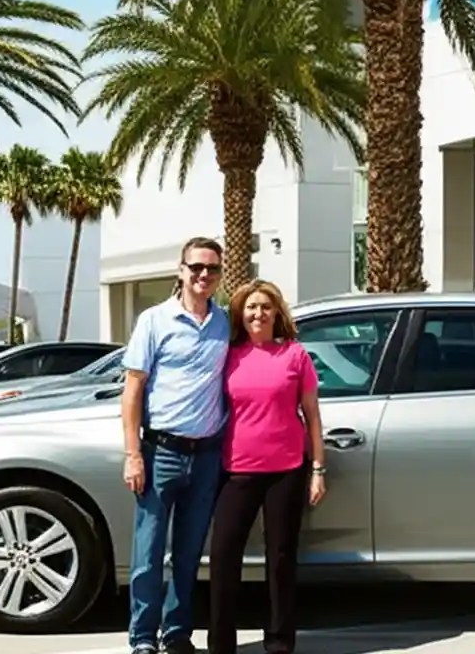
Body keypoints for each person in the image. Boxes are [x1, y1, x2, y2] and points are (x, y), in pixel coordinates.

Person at [121, 236, 230, 654]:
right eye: (196, 267)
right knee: (148, 554)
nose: (204, 275)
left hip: (206, 455)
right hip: (159, 452)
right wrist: (133, 454)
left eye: (212, 269)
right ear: (180, 271)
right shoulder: (154, 320)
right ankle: (143, 638)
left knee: (188, 553)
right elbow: (133, 390)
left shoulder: (225, 323)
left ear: (219, 275)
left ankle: (177, 632)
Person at [207, 279, 327, 654]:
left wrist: (318, 469)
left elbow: (312, 416)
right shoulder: (228, 355)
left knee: (280, 559)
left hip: (287, 470)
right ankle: (221, 645)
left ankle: (278, 643)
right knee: (225, 557)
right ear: (240, 314)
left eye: (265, 307)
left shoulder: (295, 356)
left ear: (277, 312)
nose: (258, 313)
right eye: (250, 307)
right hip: (237, 470)